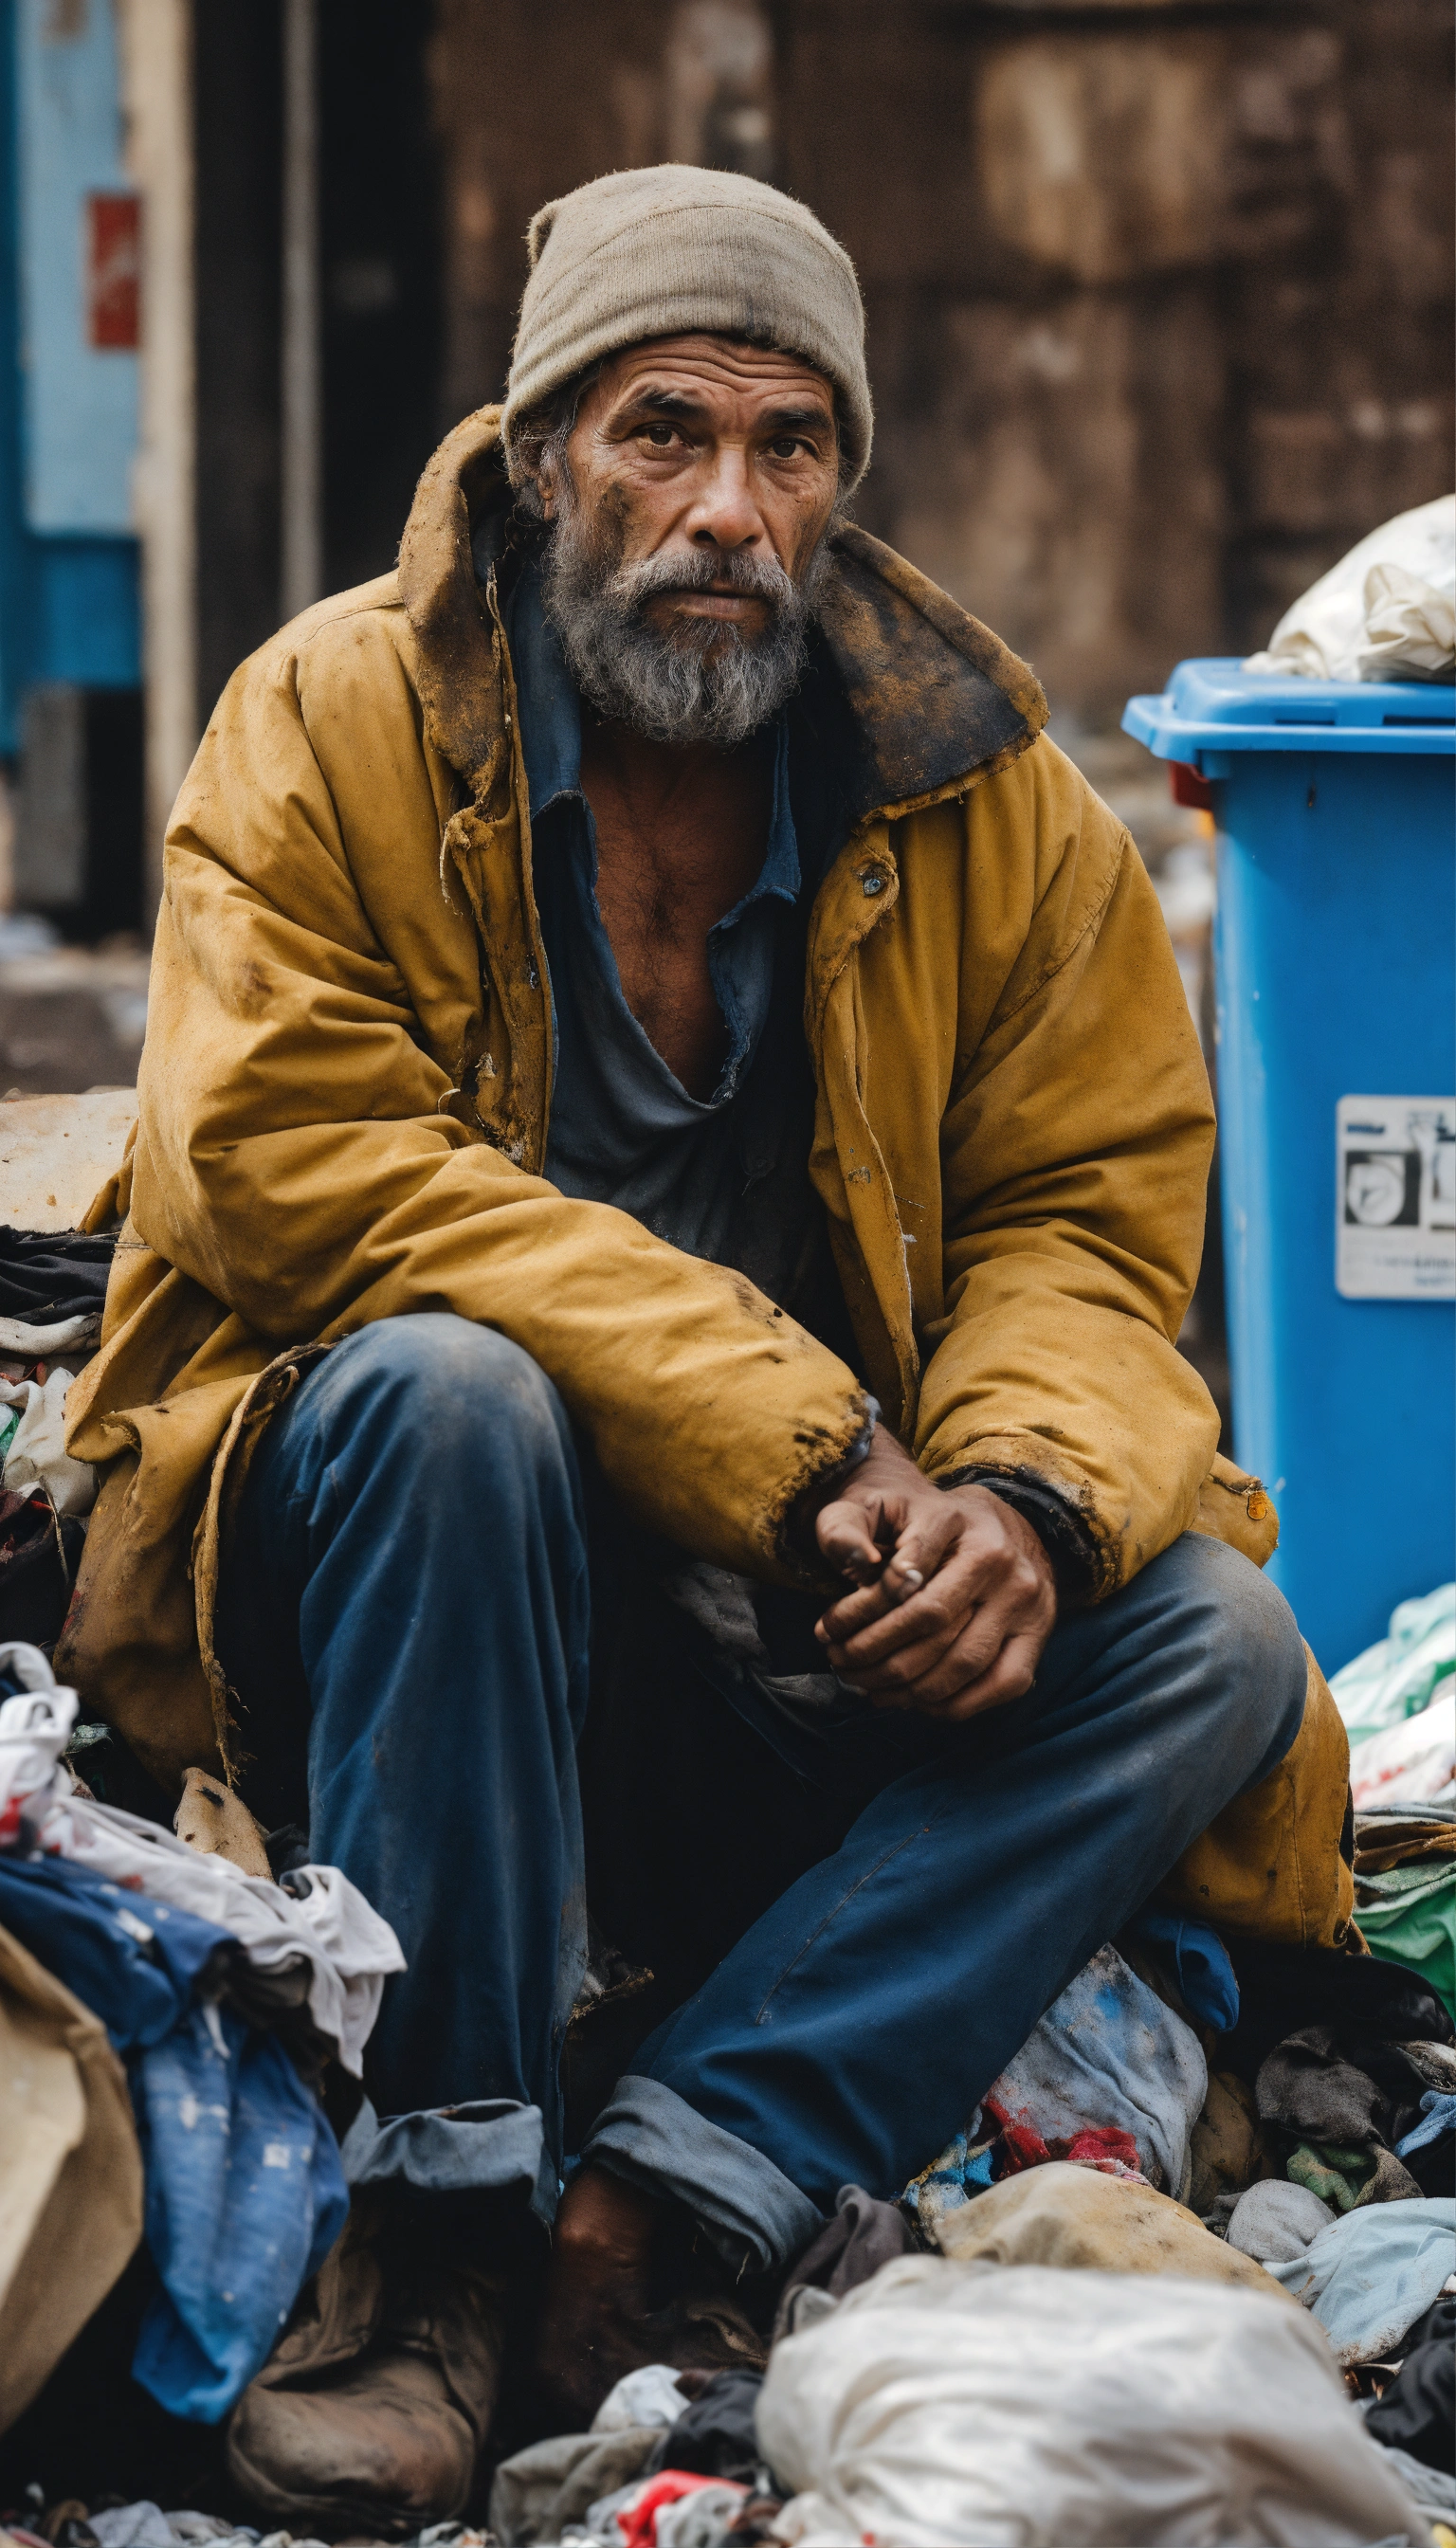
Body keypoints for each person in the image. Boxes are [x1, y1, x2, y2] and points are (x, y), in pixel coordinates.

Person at [60, 165, 1354, 2529]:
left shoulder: (985, 796)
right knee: (458, 1393)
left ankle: (669, 2194)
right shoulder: (333, 719)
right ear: (545, 451)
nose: (728, 513)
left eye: (789, 448)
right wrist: (793, 1437)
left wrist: (1015, 1508)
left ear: (842, 482)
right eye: (663, 435)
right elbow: (277, 1151)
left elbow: (1087, 1215)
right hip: (402, 1632)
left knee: (1214, 1636)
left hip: (787, 1645)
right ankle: (439, 2242)